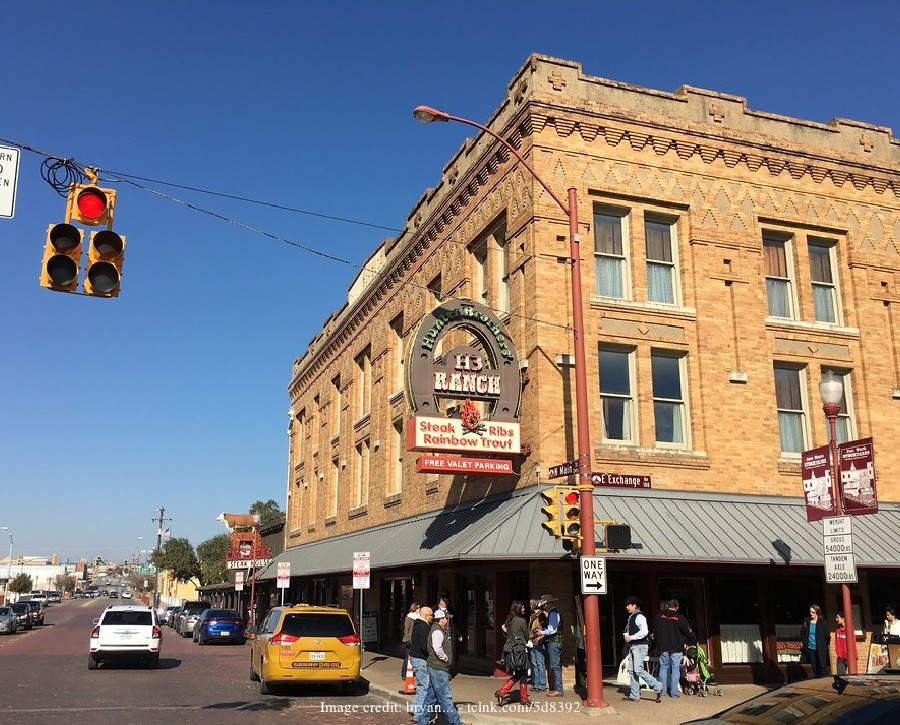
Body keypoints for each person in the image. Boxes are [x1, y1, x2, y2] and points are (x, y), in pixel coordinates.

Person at [421, 609, 469, 725]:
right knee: (445, 698)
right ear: (441, 619)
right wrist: (446, 659)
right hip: (438, 668)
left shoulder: (437, 629)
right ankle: (456, 723)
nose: (447, 620)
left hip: (435, 667)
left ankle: (422, 721)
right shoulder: (437, 631)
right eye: (445, 618)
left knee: (429, 697)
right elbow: (438, 649)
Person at [622, 595, 664, 703]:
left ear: (635, 606)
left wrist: (631, 637)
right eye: (626, 605)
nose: (627, 607)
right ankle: (634, 694)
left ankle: (658, 686)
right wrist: (627, 635)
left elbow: (644, 631)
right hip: (634, 645)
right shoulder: (632, 616)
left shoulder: (639, 616)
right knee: (632, 670)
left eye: (629, 605)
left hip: (640, 645)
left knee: (638, 669)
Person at [653, 599, 697, 699]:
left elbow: (655, 632)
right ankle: (674, 693)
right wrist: (694, 640)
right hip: (677, 647)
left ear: (667, 606)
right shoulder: (680, 618)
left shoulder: (659, 616)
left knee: (663, 668)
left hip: (663, 646)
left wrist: (655, 644)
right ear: (677, 608)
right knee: (675, 669)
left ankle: (662, 691)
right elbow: (687, 632)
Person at [495, 600, 531, 707]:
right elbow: (526, 635)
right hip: (518, 651)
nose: (524, 609)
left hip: (508, 651)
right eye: (523, 607)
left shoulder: (509, 620)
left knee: (519, 674)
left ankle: (503, 693)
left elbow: (505, 632)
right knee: (522, 673)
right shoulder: (521, 621)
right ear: (518, 608)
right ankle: (519, 697)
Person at [410, 606, 435, 724]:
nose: (432, 617)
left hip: (416, 658)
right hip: (420, 659)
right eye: (431, 615)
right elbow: (424, 645)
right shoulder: (424, 626)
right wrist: (432, 654)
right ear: (426, 616)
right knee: (424, 687)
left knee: (422, 686)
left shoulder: (418, 624)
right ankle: (418, 714)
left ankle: (415, 708)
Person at [539, 593, 564, 696]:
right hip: (556, 642)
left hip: (554, 642)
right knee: (555, 666)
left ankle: (558, 689)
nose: (544, 607)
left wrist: (542, 632)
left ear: (548, 604)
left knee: (555, 666)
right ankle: (557, 688)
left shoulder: (553, 613)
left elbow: (552, 629)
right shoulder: (553, 613)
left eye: (544, 605)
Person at [800, 604, 830, 676]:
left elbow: (827, 636)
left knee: (822, 666)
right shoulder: (807, 622)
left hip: (820, 648)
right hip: (811, 648)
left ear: (817, 612)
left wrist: (824, 644)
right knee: (815, 667)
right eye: (810, 612)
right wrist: (805, 644)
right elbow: (803, 634)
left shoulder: (822, 623)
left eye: (813, 612)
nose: (811, 614)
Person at [437, 593, 463, 674]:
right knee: (438, 652)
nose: (447, 603)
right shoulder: (434, 609)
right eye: (445, 601)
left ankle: (447, 672)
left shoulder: (451, 610)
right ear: (441, 601)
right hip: (438, 635)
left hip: (448, 635)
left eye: (448, 601)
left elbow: (455, 623)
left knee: (448, 654)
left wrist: (459, 634)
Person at [528, 598, 547, 693]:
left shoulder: (541, 615)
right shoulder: (532, 616)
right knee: (534, 664)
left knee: (540, 664)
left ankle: (542, 684)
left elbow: (541, 628)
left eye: (530, 604)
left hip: (538, 641)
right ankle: (536, 683)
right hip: (532, 641)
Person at [401, 602, 420, 679]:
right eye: (418, 608)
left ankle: (412, 671)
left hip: (416, 640)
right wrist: (407, 639)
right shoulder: (409, 617)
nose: (419, 609)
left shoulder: (418, 617)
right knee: (407, 657)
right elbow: (406, 629)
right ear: (415, 608)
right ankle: (404, 673)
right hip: (410, 640)